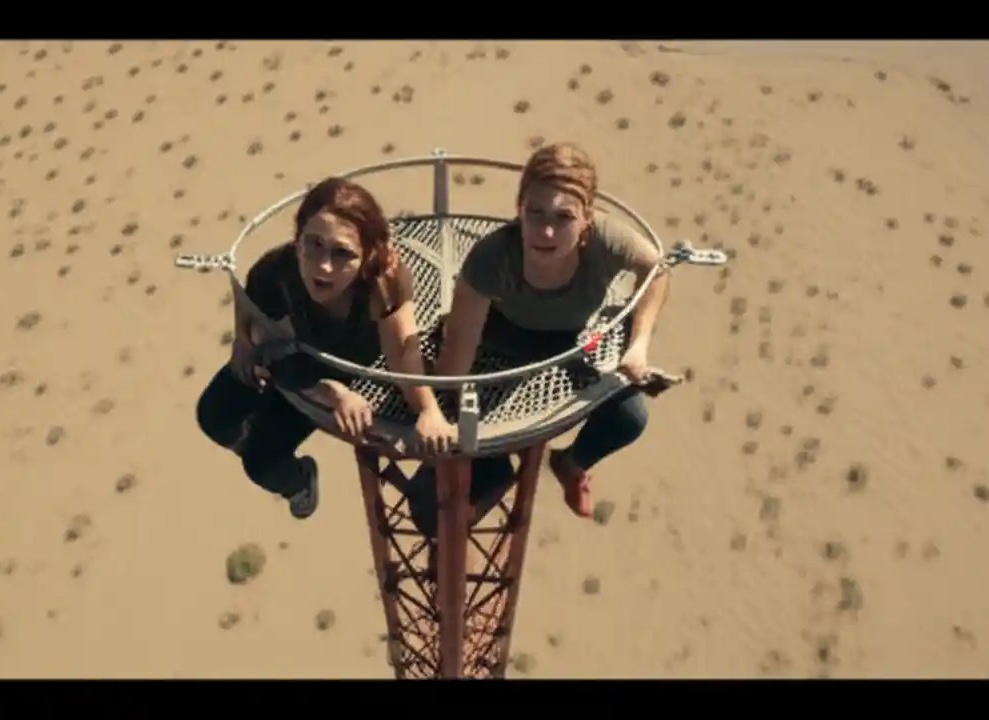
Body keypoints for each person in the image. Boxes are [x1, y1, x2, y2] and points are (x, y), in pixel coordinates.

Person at [427, 142, 672, 519]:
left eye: (563, 218)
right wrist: (455, 415)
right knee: (456, 470)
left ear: (587, 217)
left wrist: (638, 347)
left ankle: (571, 465)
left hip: (571, 340)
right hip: (502, 336)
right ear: (519, 209)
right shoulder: (492, 259)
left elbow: (656, 270)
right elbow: (457, 365)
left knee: (629, 417)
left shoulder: (605, 240)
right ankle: (492, 474)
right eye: (535, 213)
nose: (545, 230)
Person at [196, 177, 457, 520]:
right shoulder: (278, 270)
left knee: (261, 464)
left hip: (327, 370)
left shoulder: (383, 284)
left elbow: (403, 354)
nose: (323, 266)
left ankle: (299, 480)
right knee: (213, 415)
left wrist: (428, 411)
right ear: (297, 239)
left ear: (367, 256)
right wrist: (241, 341)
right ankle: (257, 434)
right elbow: (250, 301)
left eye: (342, 253)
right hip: (283, 359)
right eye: (313, 245)